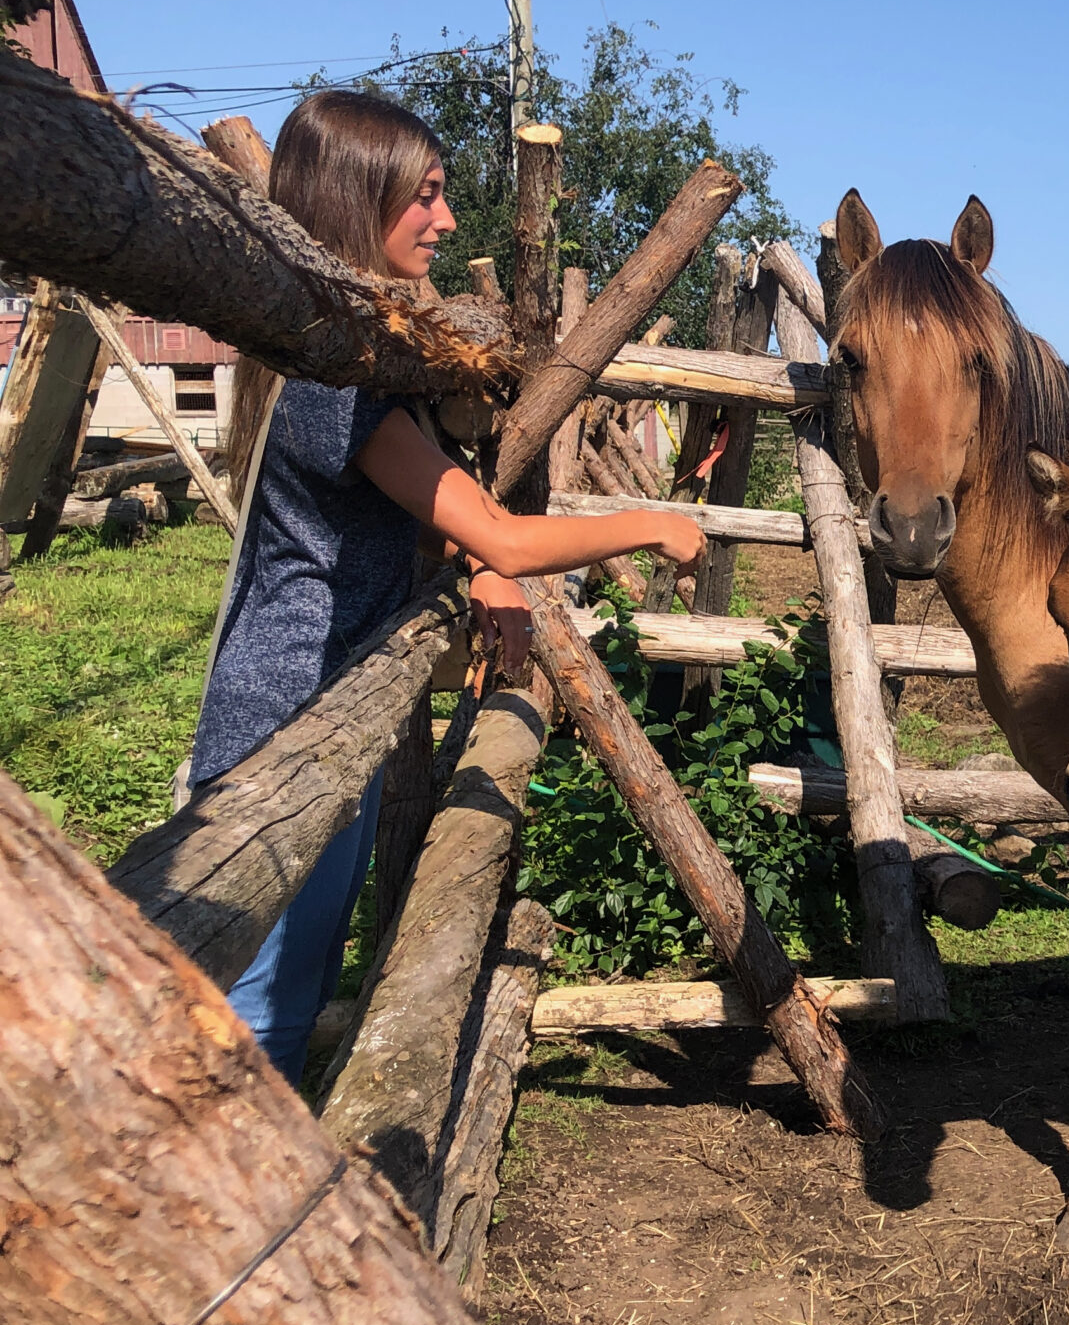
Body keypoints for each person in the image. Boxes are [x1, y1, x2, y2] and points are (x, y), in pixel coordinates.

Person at [195, 90, 706, 1081]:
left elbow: (449, 520)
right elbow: (496, 532)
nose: (446, 219)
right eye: (424, 196)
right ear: (355, 201)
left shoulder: (356, 354)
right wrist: (654, 524)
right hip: (281, 723)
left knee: (285, 1007)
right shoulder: (330, 380)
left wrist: (486, 578)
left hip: (324, 716)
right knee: (251, 1022)